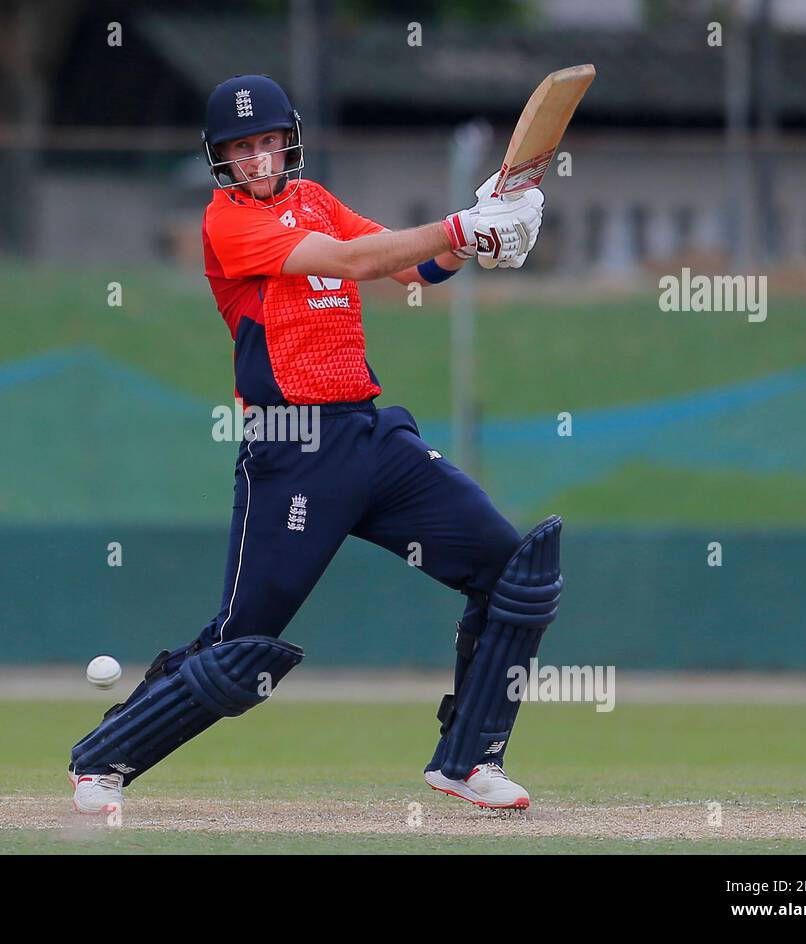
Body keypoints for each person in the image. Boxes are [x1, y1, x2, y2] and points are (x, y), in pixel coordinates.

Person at [69, 74, 562, 816]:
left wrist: (485, 233)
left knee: (512, 572)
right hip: (290, 448)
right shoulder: (226, 226)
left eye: (269, 142)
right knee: (243, 642)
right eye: (243, 149)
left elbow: (408, 265)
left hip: (371, 436)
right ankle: (104, 758)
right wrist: (465, 225)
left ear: (288, 141)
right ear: (221, 160)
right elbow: (354, 263)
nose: (260, 160)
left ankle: (470, 758)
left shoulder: (317, 200)